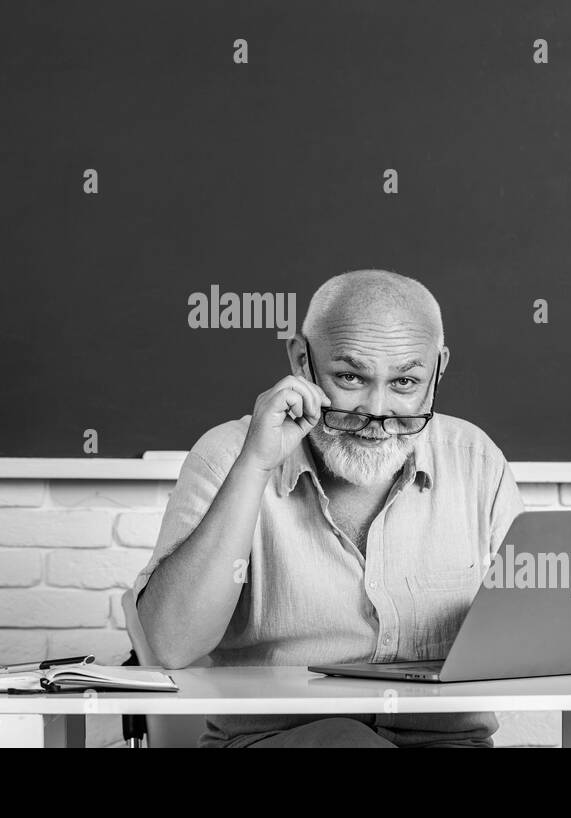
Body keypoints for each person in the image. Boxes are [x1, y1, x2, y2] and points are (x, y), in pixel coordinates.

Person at [132, 269, 524, 747]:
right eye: (350, 377)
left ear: (438, 370)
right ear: (302, 361)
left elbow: (535, 631)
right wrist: (255, 468)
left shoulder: (477, 461)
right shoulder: (227, 456)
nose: (376, 412)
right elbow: (172, 644)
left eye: (404, 382)